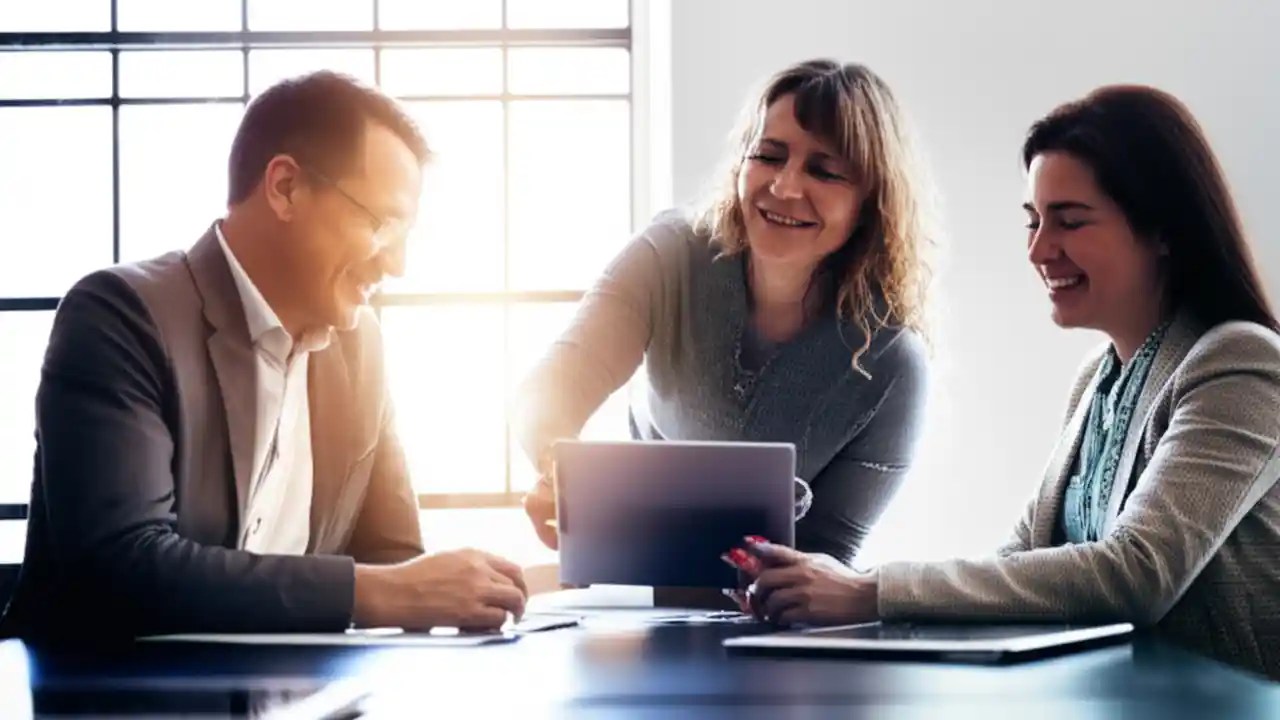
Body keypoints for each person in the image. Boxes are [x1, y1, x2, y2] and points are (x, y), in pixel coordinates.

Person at [732, 85, 1280, 679]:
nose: (1040, 250)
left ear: (1164, 230)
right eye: (1034, 221)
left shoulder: (1239, 363)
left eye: (1070, 221)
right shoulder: (1098, 379)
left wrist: (870, 592)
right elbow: (1021, 561)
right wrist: (832, 593)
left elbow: (1138, 572)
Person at [0, 71, 527, 642]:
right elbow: (121, 567)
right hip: (105, 683)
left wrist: (454, 591)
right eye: (382, 224)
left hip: (299, 685)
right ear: (285, 188)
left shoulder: (360, 348)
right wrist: (372, 593)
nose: (396, 264)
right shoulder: (122, 315)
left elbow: (393, 558)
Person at [519, 59, 935, 565]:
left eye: (824, 171)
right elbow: (551, 389)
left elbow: (830, 558)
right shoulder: (670, 254)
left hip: (770, 603)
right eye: (768, 156)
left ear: (872, 202)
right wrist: (558, 469)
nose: (784, 187)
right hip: (639, 577)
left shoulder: (893, 364)